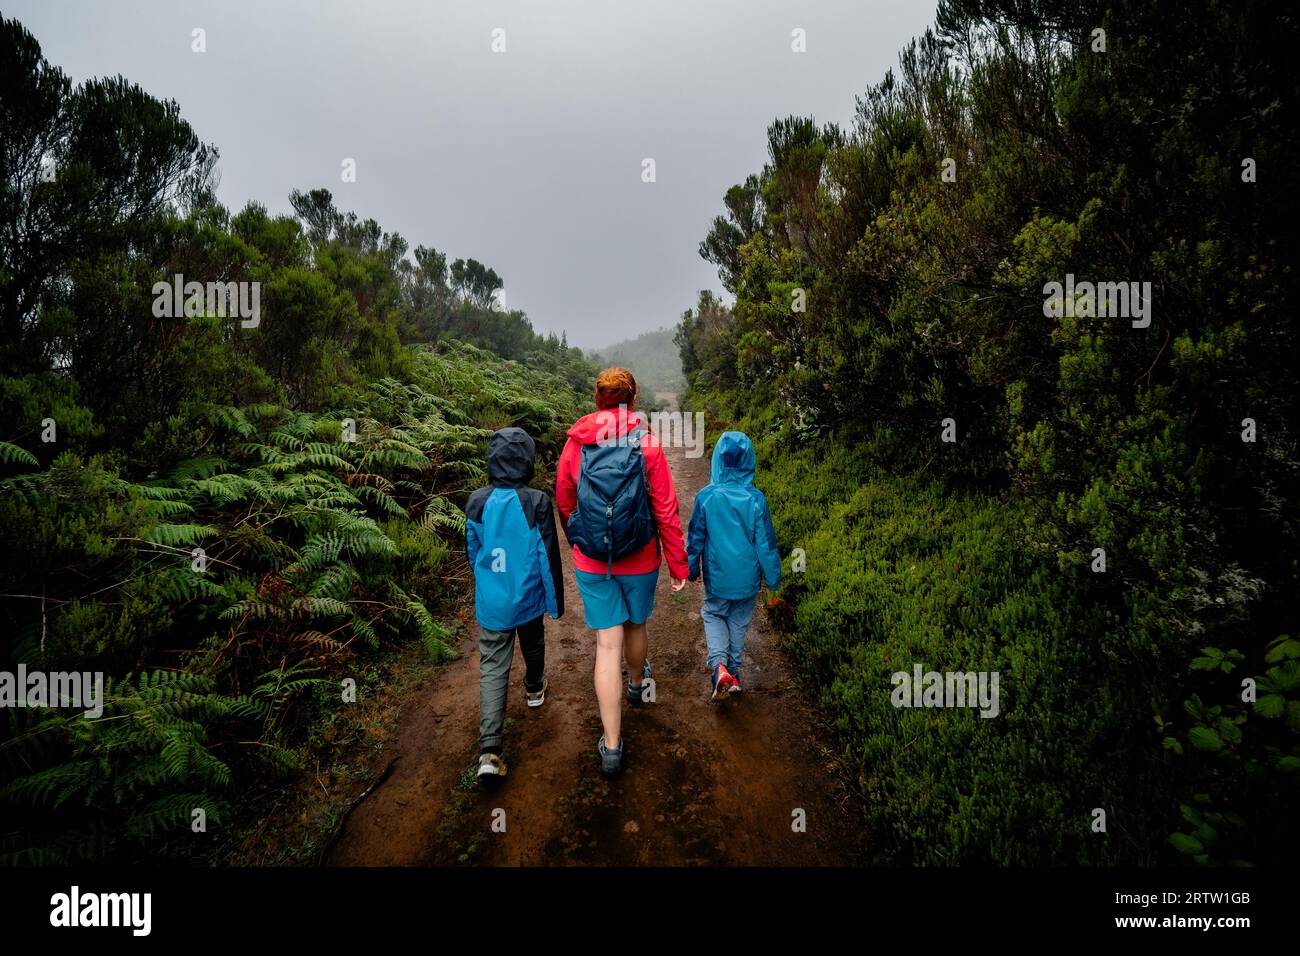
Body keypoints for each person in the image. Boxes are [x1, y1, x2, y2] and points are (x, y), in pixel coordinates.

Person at [556, 368, 688, 776]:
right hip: (641, 558)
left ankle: (611, 747)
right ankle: (636, 684)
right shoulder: (647, 444)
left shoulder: (576, 444)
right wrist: (678, 564)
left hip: (593, 561)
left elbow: (564, 500)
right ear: (631, 400)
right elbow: (666, 510)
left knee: (605, 646)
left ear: (598, 399)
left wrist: (579, 540)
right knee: (635, 626)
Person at [465, 427, 565, 786]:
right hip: (528, 597)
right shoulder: (536, 502)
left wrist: (487, 580)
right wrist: (555, 605)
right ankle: (535, 689)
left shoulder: (476, 501)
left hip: (493, 599)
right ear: (527, 461)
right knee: (533, 640)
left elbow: (474, 552)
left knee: (493, 665)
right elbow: (547, 556)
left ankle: (489, 751)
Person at [686, 430, 782, 700]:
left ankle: (719, 666)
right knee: (739, 622)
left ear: (717, 459)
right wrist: (773, 580)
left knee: (714, 614)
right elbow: (766, 544)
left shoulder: (706, 497)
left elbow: (695, 539)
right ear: (750, 460)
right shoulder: (756, 499)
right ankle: (735, 674)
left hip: (717, 578)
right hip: (747, 579)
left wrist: (691, 569)